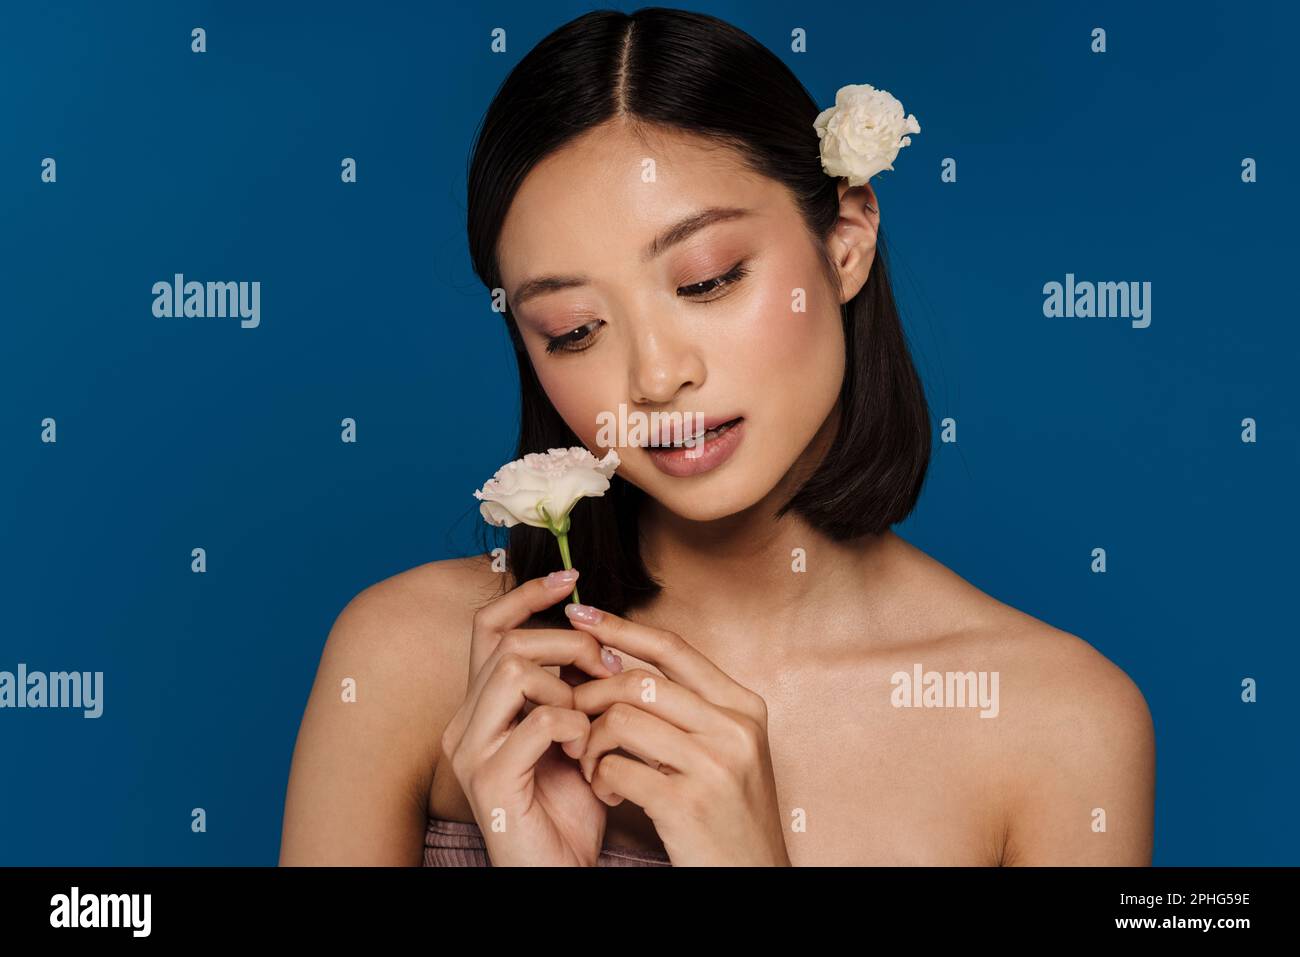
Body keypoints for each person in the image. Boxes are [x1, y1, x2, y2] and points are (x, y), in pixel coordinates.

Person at [279, 7, 1154, 866]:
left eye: (706, 280)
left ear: (845, 239)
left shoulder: (1054, 723)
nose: (656, 378)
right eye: (576, 329)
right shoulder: (413, 660)